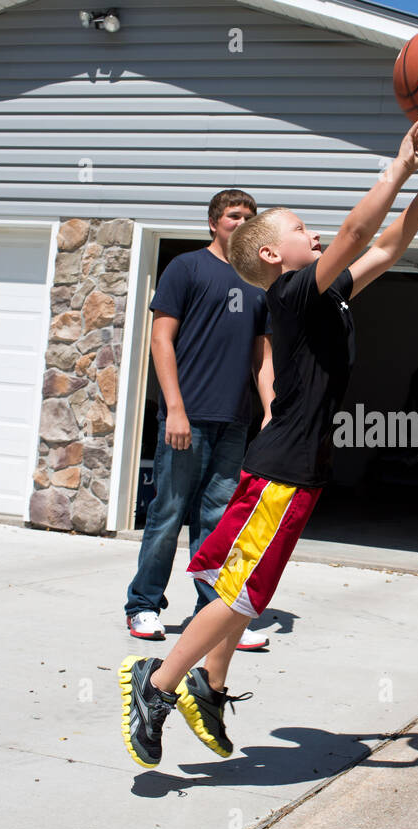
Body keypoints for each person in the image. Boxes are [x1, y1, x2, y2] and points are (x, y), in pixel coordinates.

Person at [118, 115, 418, 767]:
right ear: (275, 257)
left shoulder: (326, 295)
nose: (313, 233)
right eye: (299, 229)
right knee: (241, 592)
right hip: (283, 469)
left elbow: (385, 248)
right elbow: (357, 230)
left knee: (246, 590)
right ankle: (157, 684)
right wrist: (399, 167)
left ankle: (211, 686)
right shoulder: (290, 293)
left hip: (294, 470)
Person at [123, 189, 277, 648]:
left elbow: (261, 355)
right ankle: (144, 606)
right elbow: (161, 339)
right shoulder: (186, 268)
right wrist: (174, 408)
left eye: (250, 217)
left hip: (234, 421)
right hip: (185, 418)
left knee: (219, 521)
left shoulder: (259, 282)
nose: (242, 222)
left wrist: (270, 410)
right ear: (214, 223)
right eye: (234, 215)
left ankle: (212, 617)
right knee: (167, 514)